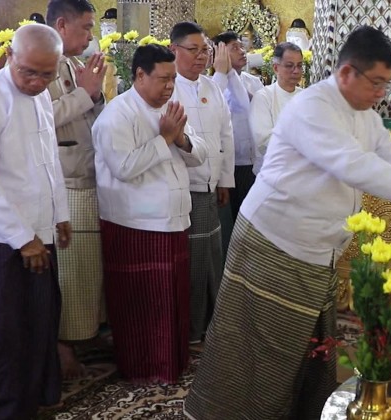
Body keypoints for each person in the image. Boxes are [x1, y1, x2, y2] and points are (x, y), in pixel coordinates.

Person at [184, 25, 391, 420]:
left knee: (307, 351)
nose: (381, 92)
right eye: (376, 82)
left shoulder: (364, 115)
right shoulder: (314, 107)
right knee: (261, 354)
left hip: (316, 249)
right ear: (346, 73)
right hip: (272, 242)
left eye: (386, 84)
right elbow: (356, 166)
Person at [92, 44, 208, 383]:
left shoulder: (171, 107)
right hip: (135, 223)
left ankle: (172, 363)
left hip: (173, 217)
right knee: (143, 303)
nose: (170, 87)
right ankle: (143, 368)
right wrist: (164, 139)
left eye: (173, 79)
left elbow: (198, 151)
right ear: (139, 75)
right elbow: (124, 167)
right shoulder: (117, 114)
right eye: (163, 79)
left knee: (173, 297)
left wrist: (181, 139)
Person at [0, 23, 70, 418]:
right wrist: (22, 238)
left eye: (47, 74)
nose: (36, 82)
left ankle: (28, 402)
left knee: (37, 324)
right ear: (8, 56)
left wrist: (59, 214)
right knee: (1, 333)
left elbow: (49, 163)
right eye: (28, 71)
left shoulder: (43, 95)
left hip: (38, 233)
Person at [46, 0, 108, 380]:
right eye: (86, 27)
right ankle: (62, 349)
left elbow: (89, 113)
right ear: (63, 24)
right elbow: (41, 120)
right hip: (63, 182)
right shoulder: (40, 64)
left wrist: (96, 95)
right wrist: (85, 93)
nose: (89, 36)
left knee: (86, 272)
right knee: (69, 274)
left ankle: (82, 338)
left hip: (86, 175)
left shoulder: (71, 64)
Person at [169, 22, 235, 344]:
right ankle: (192, 328)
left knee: (213, 256)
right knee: (193, 261)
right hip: (185, 187)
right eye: (192, 50)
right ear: (174, 50)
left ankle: (211, 322)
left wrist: (225, 179)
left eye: (204, 50)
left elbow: (226, 135)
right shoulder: (170, 89)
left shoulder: (211, 87)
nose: (200, 57)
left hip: (211, 185)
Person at [211, 31, 265, 220]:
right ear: (220, 53)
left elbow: (256, 110)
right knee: (230, 216)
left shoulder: (254, 82)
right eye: (235, 48)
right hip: (231, 163)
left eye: (242, 46)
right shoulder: (214, 85)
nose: (242, 51)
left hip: (253, 162)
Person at [250, 42, 304, 175]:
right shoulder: (263, 97)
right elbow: (264, 141)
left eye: (299, 65)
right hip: (272, 174)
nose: (296, 71)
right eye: (289, 66)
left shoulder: (307, 97)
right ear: (275, 68)